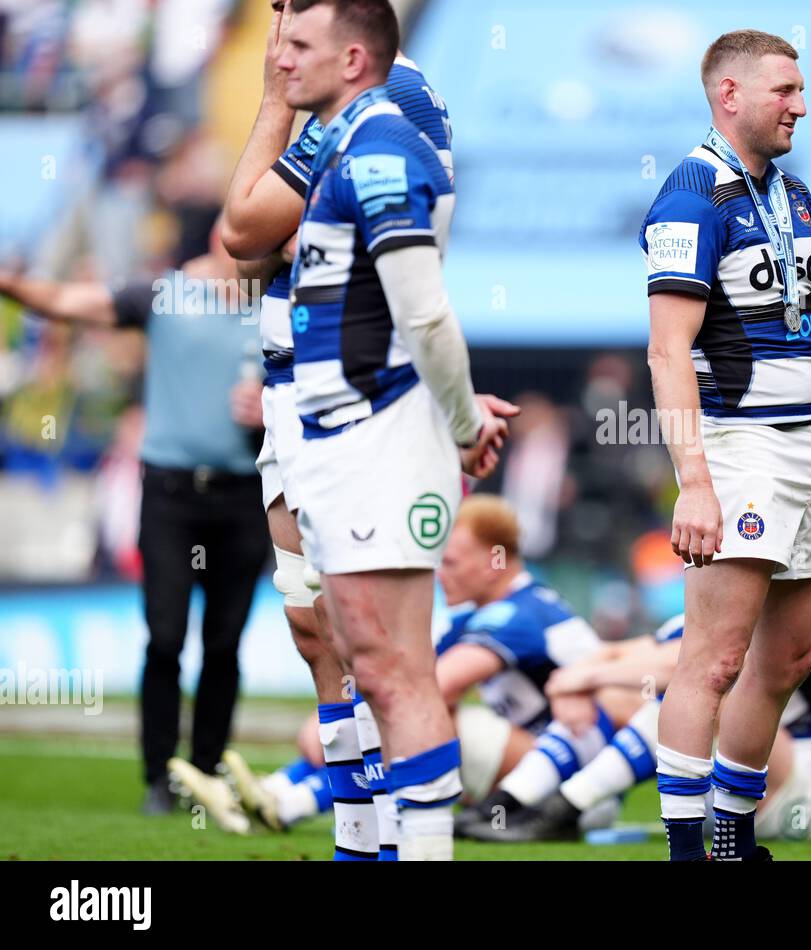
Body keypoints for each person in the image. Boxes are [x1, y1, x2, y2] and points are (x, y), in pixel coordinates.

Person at [219, 0, 515, 861]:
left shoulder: (389, 123)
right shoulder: (338, 120)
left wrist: (457, 416)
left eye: (296, 31)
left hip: (373, 420)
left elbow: (411, 301)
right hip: (309, 406)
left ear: (351, 51)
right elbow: (246, 242)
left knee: (390, 662)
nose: (277, 45)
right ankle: (359, 844)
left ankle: (406, 848)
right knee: (331, 636)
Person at [640, 29, 811, 861]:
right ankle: (686, 851)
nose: (801, 106)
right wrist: (694, 481)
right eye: (785, 91)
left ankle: (734, 837)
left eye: (803, 90)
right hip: (739, 448)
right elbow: (667, 351)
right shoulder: (689, 198)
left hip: (809, 447)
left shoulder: (797, 195)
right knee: (712, 659)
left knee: (786, 658)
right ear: (729, 95)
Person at [0, 221, 269, 827]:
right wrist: (10, 283)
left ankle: (204, 773)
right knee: (165, 637)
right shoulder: (167, 295)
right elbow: (71, 302)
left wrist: (274, 405)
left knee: (224, 644)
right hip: (172, 494)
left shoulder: (279, 301)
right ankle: (158, 776)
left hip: (245, 495)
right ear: (225, 235)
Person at [479, 613, 811, 843]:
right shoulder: (717, 602)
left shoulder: (780, 604)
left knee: (709, 689)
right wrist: (577, 682)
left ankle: (567, 805)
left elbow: (678, 668)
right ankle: (511, 804)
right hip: (733, 792)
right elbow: (619, 653)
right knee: (626, 694)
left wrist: (580, 680)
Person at [428, 495, 636, 834]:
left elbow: (439, 686)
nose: (440, 575)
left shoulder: (517, 614)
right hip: (567, 775)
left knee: (441, 720)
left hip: (575, 785)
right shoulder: (488, 611)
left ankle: (392, 809)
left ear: (491, 558)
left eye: (450, 562)